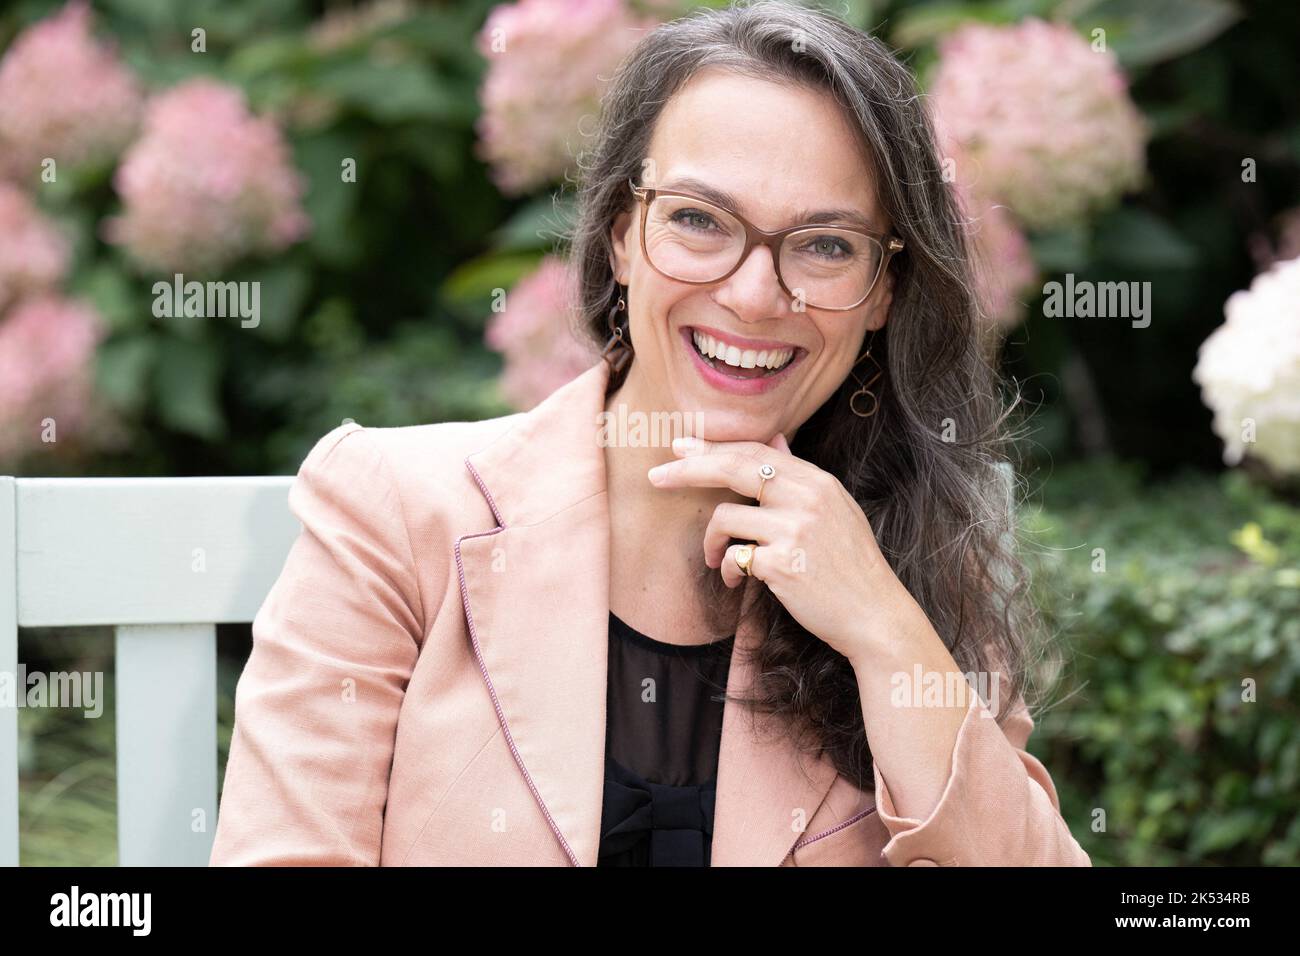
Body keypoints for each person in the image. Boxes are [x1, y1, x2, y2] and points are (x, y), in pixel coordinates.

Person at [209, 0, 1091, 867]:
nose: (753, 295)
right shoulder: (394, 512)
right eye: (700, 220)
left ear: (884, 290)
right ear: (623, 236)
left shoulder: (916, 553)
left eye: (824, 244)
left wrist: (878, 624)